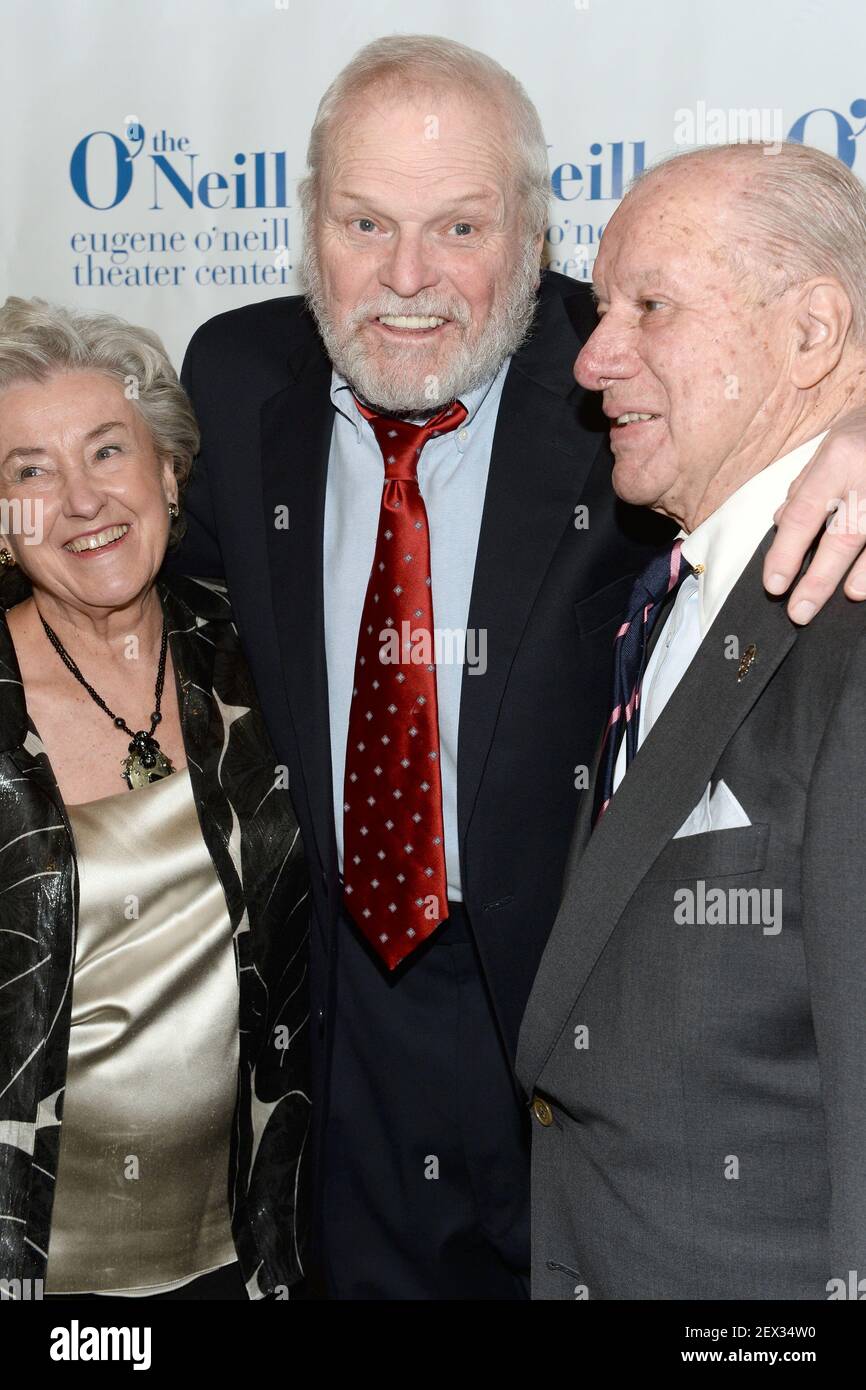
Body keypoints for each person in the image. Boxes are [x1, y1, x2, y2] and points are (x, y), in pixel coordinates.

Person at [163, 35, 866, 1300]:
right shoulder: (236, 376)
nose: (407, 278)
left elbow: (788, 352)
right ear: (306, 223)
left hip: (586, 1034)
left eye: (460, 227)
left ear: (536, 239)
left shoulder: (621, 384)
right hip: (345, 1044)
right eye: (363, 221)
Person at [518, 141, 866, 1299]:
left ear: (811, 333)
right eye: (600, 305)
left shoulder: (851, 615)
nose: (592, 358)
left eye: (649, 307)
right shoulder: (665, 587)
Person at [0, 297, 309, 1301]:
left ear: (170, 471)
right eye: (30, 471)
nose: (82, 500)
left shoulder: (264, 654)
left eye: (107, 450)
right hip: (40, 1271)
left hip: (257, 1252)